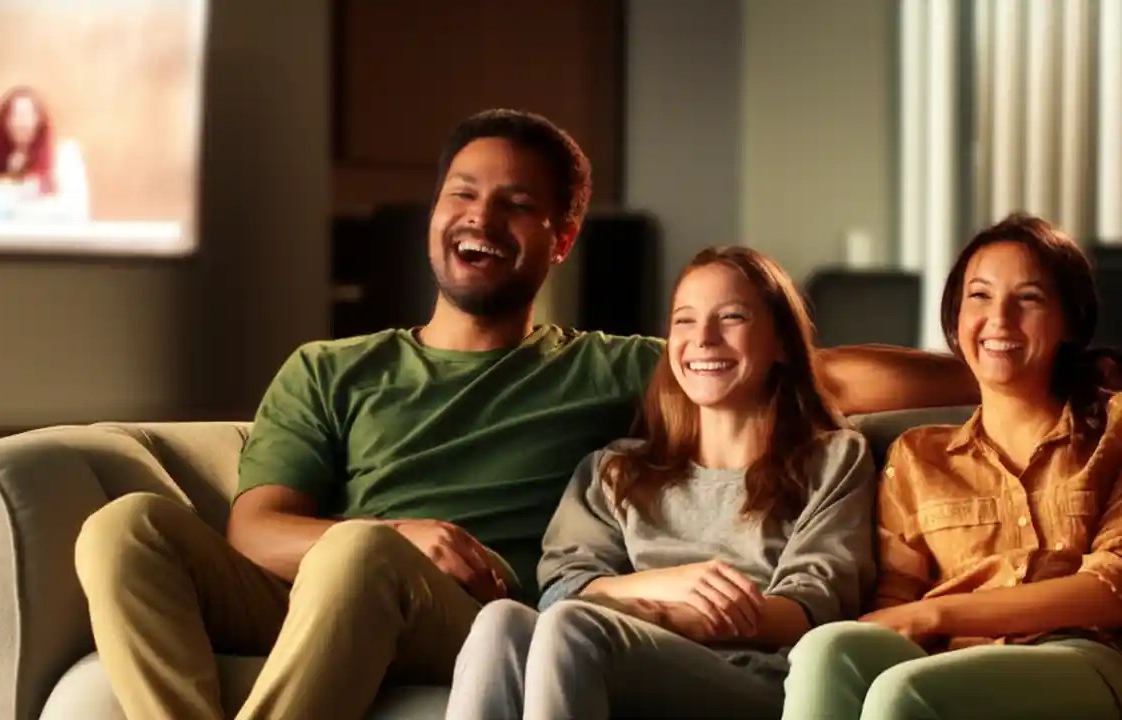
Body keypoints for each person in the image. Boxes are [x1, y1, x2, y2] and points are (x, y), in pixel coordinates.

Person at [73, 108, 978, 720]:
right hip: (315, 599)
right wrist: (394, 532)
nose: (481, 217)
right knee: (123, 528)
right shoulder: (332, 367)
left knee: (358, 550)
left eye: (516, 204)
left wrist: (1003, 364)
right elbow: (256, 528)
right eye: (463, 194)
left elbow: (800, 372)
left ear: (562, 236)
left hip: (465, 616)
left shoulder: (604, 369)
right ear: (436, 212)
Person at [445, 245, 877, 720]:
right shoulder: (616, 471)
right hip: (611, 650)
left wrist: (662, 616)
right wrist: (665, 585)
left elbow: (809, 611)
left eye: (731, 318)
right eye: (684, 321)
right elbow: (560, 591)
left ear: (781, 343)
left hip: (755, 679)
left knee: (574, 627)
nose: (704, 339)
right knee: (501, 621)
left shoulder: (833, 458)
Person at [783, 213, 1122, 719]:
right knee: (826, 648)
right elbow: (893, 601)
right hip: (948, 658)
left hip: (1080, 656)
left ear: (1069, 321)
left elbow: (1109, 590)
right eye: (979, 296)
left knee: (906, 692)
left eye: (1028, 298)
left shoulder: (1114, 428)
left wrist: (934, 613)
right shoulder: (919, 457)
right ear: (955, 318)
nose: (1000, 319)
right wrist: (913, 620)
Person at [0, 86, 89, 222]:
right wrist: (9, 198)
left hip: (44, 240)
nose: (21, 123)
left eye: (27, 115)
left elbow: (74, 210)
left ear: (40, 120)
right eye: (14, 115)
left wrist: (23, 207)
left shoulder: (64, 156)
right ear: (4, 121)